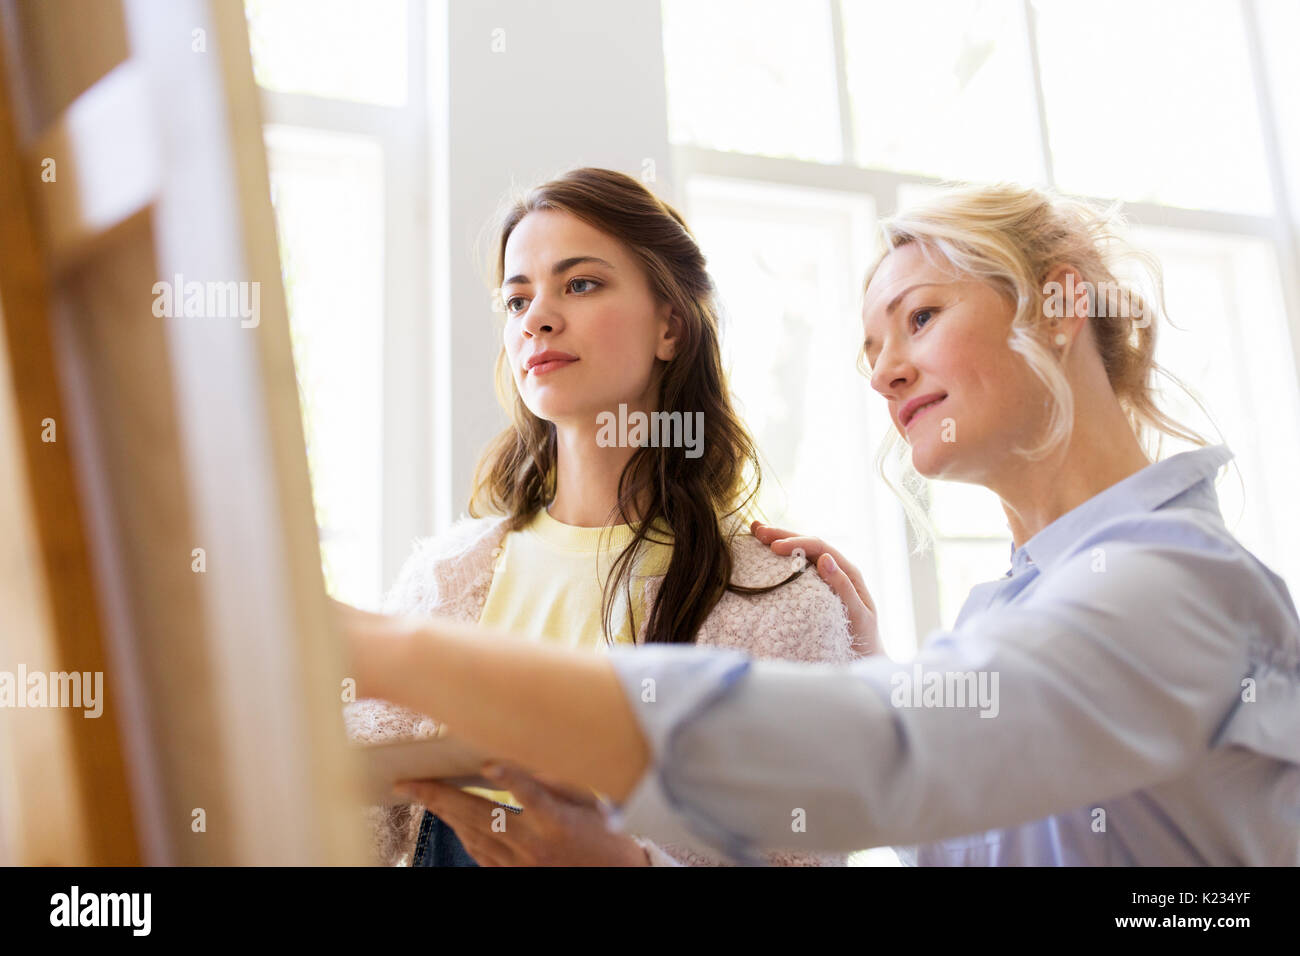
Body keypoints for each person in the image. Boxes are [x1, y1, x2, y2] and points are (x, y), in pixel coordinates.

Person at [340, 182, 1300, 865]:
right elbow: (951, 822)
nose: (882, 370)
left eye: (920, 317)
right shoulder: (1008, 605)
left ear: (1058, 303)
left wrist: (385, 648)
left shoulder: (1181, 581)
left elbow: (887, 759)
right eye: (872, 346)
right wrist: (884, 672)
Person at [344, 167, 861, 867]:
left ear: (670, 327)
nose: (538, 318)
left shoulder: (781, 604)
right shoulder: (439, 581)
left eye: (579, 284)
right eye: (517, 298)